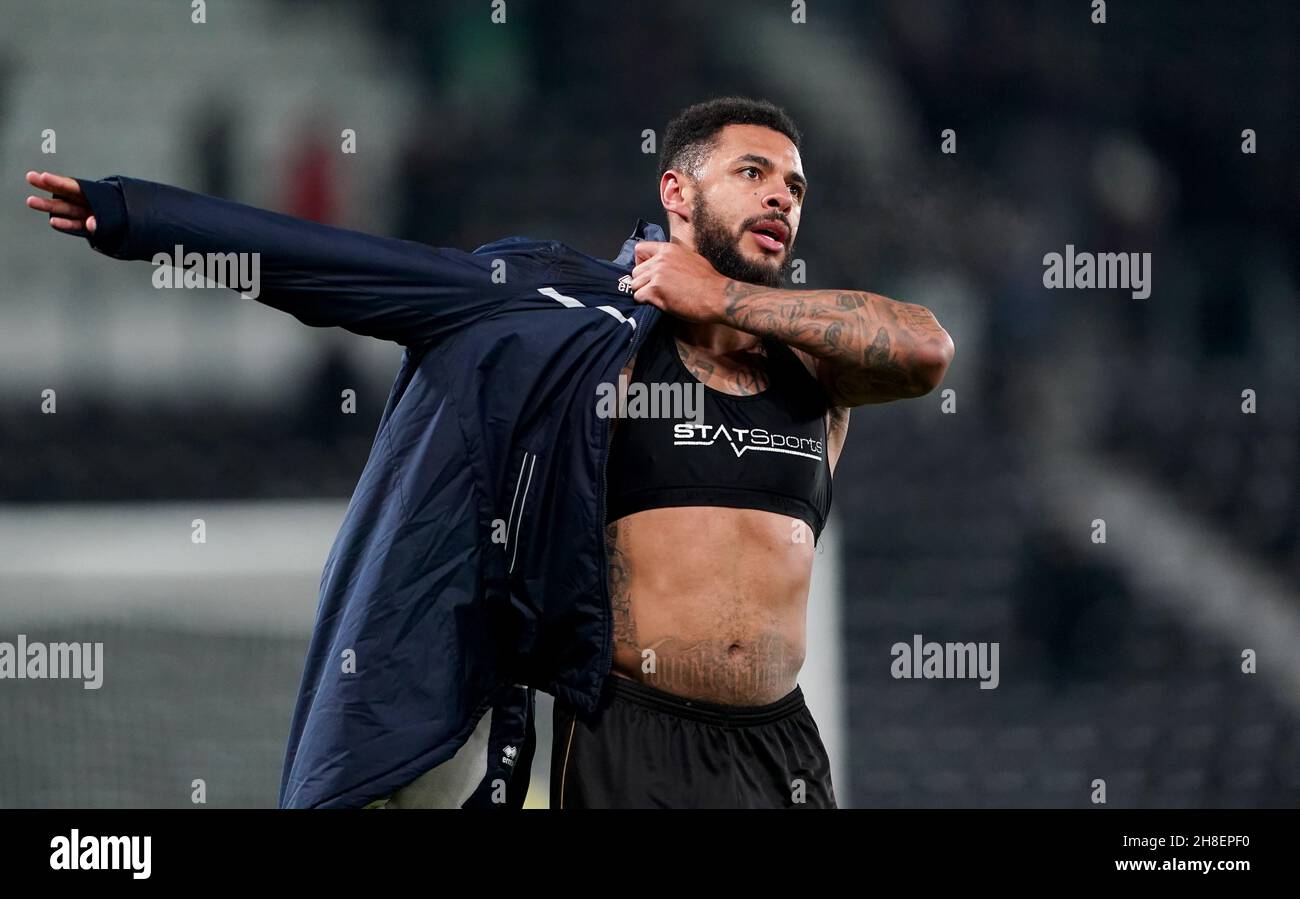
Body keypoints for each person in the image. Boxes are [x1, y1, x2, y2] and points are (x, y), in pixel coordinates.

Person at [25, 96, 952, 809]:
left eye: (795, 187)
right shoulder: (568, 317)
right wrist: (138, 217)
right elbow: (348, 269)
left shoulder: (815, 363)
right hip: (635, 737)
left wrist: (720, 299)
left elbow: (924, 347)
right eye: (755, 173)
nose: (782, 198)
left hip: (782, 747)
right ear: (677, 190)